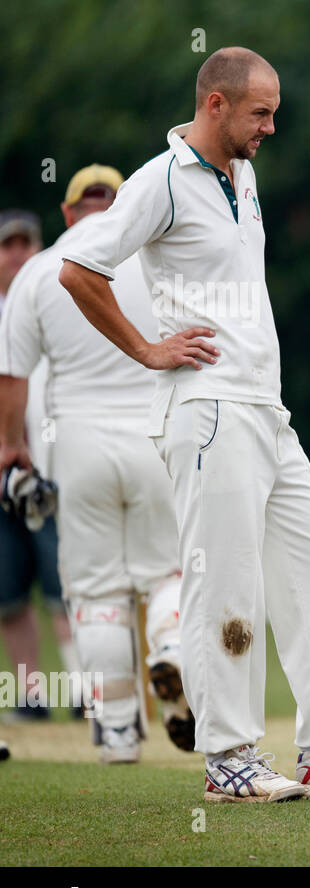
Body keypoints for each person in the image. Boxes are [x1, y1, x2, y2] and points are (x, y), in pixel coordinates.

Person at [58, 47, 310, 801]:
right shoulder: (160, 180)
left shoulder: (241, 174)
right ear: (215, 105)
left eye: (275, 111)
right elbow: (79, 270)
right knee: (227, 583)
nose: (272, 126)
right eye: (261, 112)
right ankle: (229, 757)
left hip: (265, 409)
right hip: (206, 411)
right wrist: (150, 349)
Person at [0, 165, 196, 762]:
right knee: (165, 572)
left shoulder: (38, 272)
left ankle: (114, 728)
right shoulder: (154, 259)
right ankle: (168, 648)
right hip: (153, 435)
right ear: (124, 203)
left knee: (93, 589)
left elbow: (12, 377)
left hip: (76, 445)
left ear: (66, 214)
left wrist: (12, 447)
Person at [0, 210, 73, 720]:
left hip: (51, 469)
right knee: (9, 595)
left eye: (27, 243)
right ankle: (30, 696)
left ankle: (86, 692)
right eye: (9, 245)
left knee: (64, 586)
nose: (18, 253)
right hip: (3, 473)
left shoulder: (53, 303)